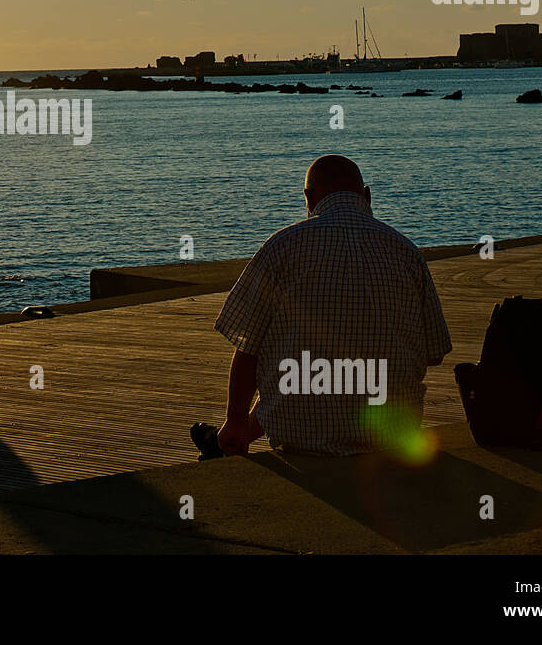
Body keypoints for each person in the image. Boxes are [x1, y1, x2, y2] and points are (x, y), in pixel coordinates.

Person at [192, 154, 452, 457]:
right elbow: (434, 354)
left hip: (302, 435)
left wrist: (235, 419)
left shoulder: (282, 246)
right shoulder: (405, 250)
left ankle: (231, 436)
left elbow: (246, 346)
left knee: (294, 365)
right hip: (392, 434)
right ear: (366, 196)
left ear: (309, 198)